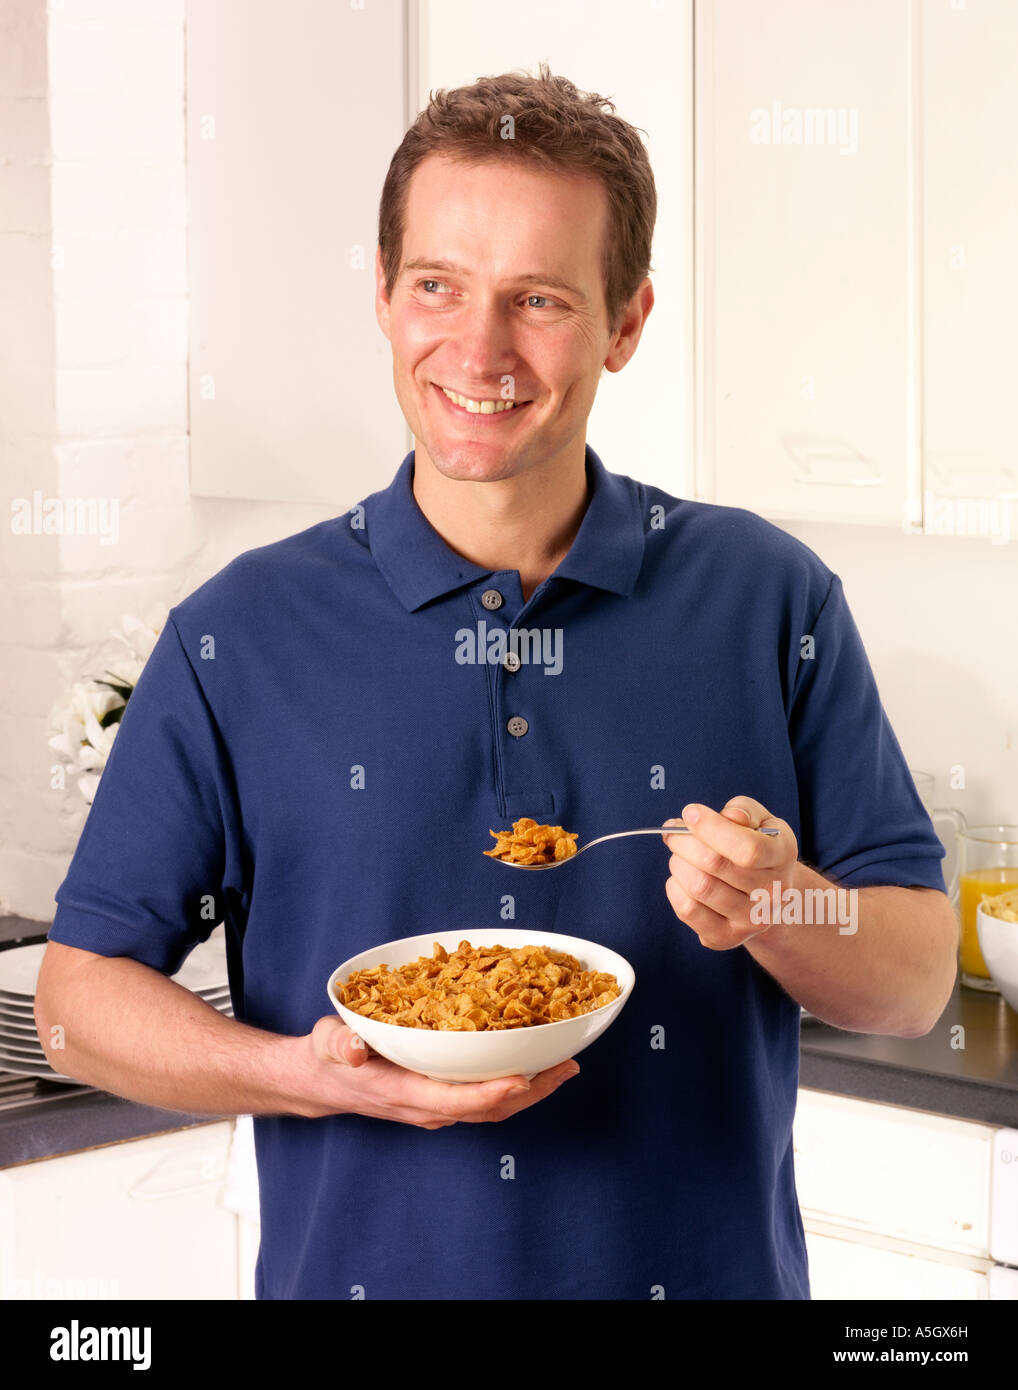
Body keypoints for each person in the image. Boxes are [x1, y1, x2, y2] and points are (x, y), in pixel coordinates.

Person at [36, 65, 957, 1300]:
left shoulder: (767, 598)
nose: (479, 349)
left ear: (626, 322)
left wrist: (782, 905)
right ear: (380, 292)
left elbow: (912, 984)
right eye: (437, 286)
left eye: (538, 299)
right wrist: (307, 1072)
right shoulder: (239, 634)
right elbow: (76, 1004)